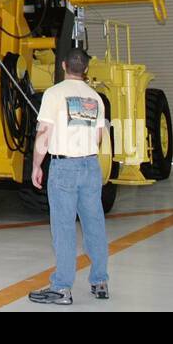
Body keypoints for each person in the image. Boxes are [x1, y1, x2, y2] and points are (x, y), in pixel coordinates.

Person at [28, 46, 110, 306]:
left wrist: (36, 166)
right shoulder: (95, 99)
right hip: (90, 167)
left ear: (63, 66)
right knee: (94, 223)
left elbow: (44, 133)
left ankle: (62, 288)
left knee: (63, 228)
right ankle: (100, 282)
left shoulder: (53, 94)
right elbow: (98, 137)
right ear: (86, 69)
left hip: (63, 168)